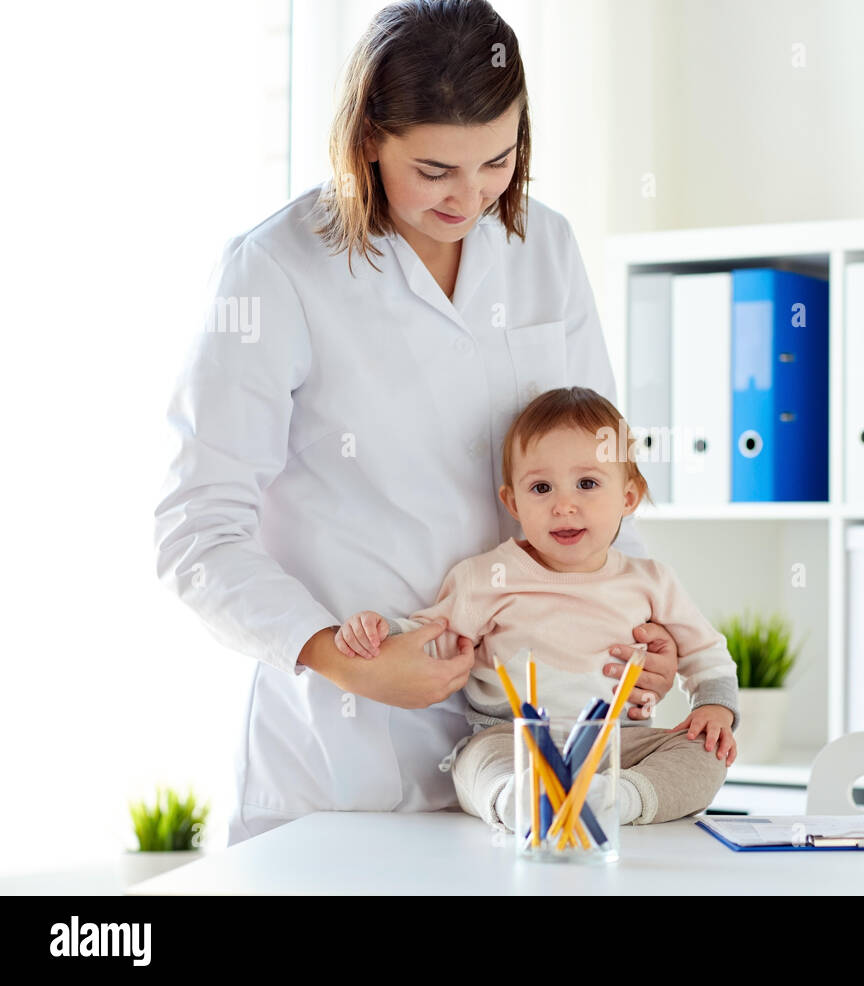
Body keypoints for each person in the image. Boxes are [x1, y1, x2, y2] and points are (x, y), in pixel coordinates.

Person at [152, 0, 683, 847]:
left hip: (538, 737)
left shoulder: (546, 247)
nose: (470, 196)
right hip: (347, 753)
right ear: (367, 138)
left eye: (498, 161)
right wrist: (336, 653)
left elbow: (600, 471)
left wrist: (647, 629)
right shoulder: (275, 269)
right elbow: (196, 530)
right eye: (435, 169)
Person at [334, 387, 738, 831]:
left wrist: (715, 707)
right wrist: (381, 630)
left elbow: (706, 652)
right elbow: (432, 635)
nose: (564, 505)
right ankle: (520, 803)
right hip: (515, 739)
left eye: (587, 484)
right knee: (478, 763)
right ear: (513, 503)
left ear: (629, 496)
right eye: (541, 488)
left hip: (621, 742)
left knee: (705, 755)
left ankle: (621, 800)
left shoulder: (651, 580)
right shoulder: (486, 576)